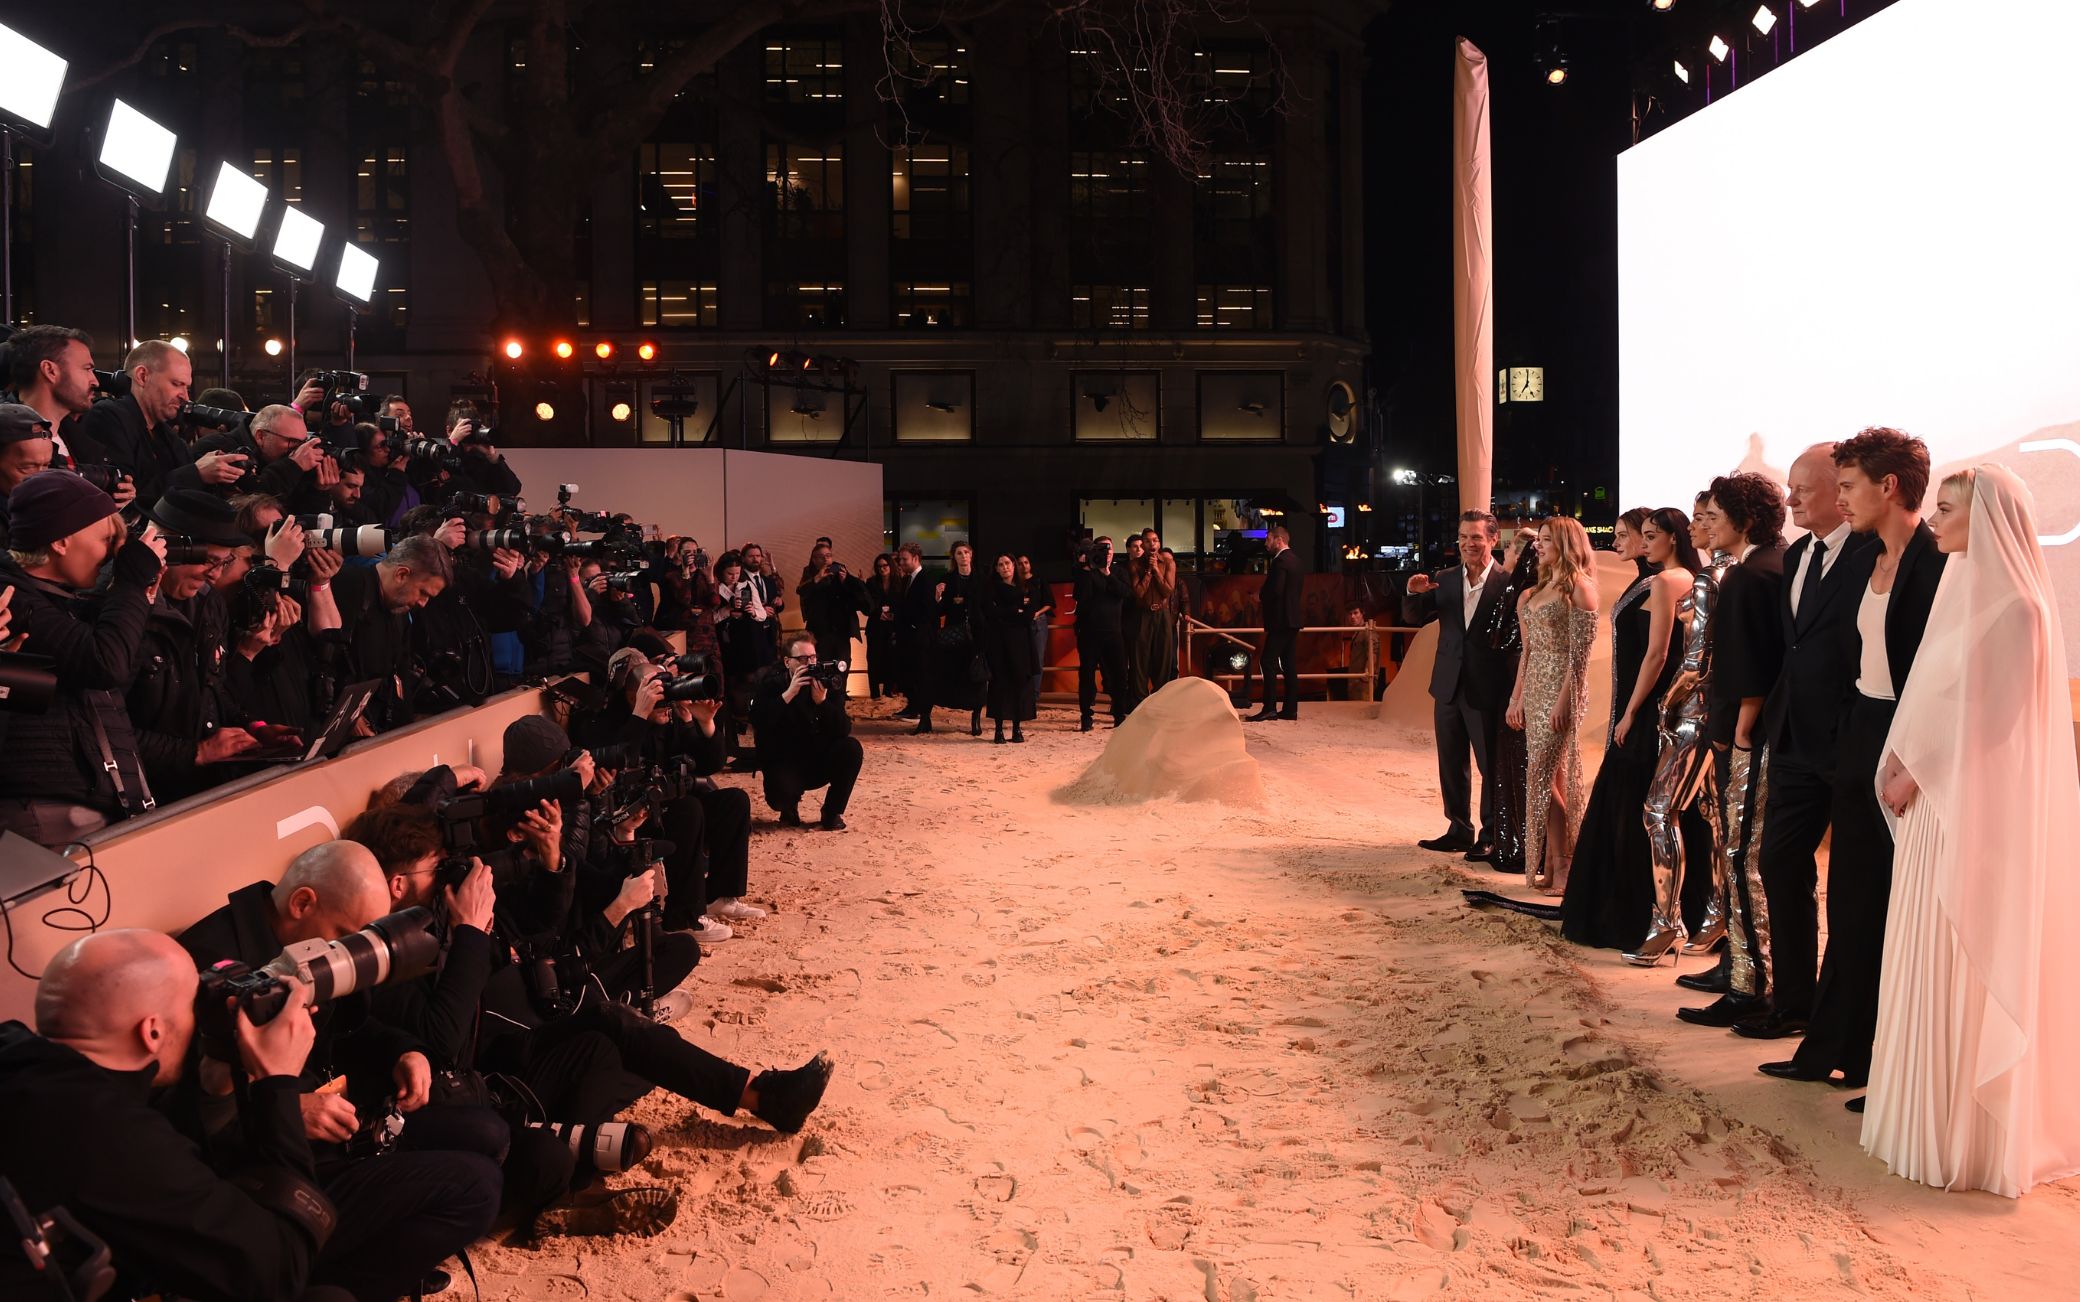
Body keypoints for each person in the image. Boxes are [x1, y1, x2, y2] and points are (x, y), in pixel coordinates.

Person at [1860, 465, 2080, 1195]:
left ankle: (1964, 1141)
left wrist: (1910, 776)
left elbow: (1989, 729)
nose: (1937, 521)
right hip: (1931, 815)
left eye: (1948, 509)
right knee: (1925, 953)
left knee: (1958, 956)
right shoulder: (1963, 595)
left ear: (1986, 520)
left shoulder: (2018, 609)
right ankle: (1920, 1121)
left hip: (1966, 816)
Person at [177, 842, 505, 1302]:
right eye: (347, 934)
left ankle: (376, 1261)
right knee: (478, 1186)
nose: (353, 949)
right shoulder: (210, 969)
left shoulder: (312, 947)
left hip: (339, 1126)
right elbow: (189, 1115)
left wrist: (403, 1052)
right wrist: (287, 1107)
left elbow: (354, 1026)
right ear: (302, 903)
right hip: (265, 1167)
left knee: (486, 1131)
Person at [0, 930, 347, 1301]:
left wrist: (216, 1070)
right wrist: (277, 1081)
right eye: (191, 1007)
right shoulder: (107, 1134)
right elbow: (277, 1276)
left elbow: (167, 1164)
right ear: (151, 1031)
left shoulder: (19, 1054)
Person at [1765, 429, 1946, 1098]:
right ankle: (1832, 1047)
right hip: (1859, 738)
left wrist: (1912, 759)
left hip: (1903, 742)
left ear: (1887, 486)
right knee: (1850, 902)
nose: (1839, 500)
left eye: (1846, 486)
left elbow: (1937, 679)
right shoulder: (1872, 561)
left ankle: (1881, 1065)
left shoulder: (1932, 565)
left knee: (1891, 909)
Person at [1692, 446, 1874, 1027]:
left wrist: (1745, 718)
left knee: (1843, 888)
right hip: (1791, 740)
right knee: (1776, 864)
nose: (1791, 498)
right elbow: (1790, 651)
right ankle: (1791, 1003)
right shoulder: (1796, 556)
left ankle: (1824, 1013)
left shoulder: (1873, 554)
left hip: (1844, 742)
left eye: (1805, 488)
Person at [0, 472, 167, 845]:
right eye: (107, 539)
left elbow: (116, 687)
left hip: (82, 804)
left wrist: (141, 598)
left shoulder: (60, 601)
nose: (112, 552)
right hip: (44, 814)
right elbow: (105, 664)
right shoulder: (12, 597)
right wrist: (130, 585)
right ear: (61, 541)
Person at [1562, 508, 1694, 947]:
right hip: (1636, 704)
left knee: (1638, 806)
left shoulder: (1668, 581)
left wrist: (1634, 711)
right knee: (1632, 805)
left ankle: (1640, 914)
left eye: (1630, 535)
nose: (1617, 542)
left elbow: (1658, 654)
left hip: (1649, 709)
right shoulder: (1648, 581)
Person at [1401, 511, 1519, 857]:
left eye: (1477, 537)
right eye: (1464, 537)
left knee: (1489, 764)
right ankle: (1457, 829)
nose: (1469, 543)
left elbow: (1516, 640)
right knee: (1451, 762)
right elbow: (1412, 618)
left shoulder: (1508, 582)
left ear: (1493, 540)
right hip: (1447, 685)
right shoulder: (1444, 578)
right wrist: (1412, 591)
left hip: (1488, 687)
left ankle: (1490, 834)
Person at [1505, 517, 1599, 895]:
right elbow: (1526, 653)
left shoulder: (1580, 588)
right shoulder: (1536, 591)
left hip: (1564, 687)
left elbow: (1581, 655)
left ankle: (1566, 864)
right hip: (1536, 688)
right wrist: (1517, 697)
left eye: (1546, 540)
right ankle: (1552, 862)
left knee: (1540, 778)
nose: (1538, 546)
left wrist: (1566, 699)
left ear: (1566, 542)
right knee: (1549, 777)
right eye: (1538, 540)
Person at [752, 632, 863, 829]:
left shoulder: (825, 681)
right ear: (787, 662)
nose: (810, 663)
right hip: (784, 760)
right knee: (780, 797)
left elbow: (843, 728)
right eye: (802, 659)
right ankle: (789, 807)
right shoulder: (771, 683)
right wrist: (788, 695)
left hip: (817, 757)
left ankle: (831, 812)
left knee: (851, 749)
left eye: (812, 657)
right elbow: (760, 722)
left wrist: (822, 702)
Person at [1479, 526, 1539, 873]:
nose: (1505, 558)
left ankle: (1525, 845)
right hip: (1509, 681)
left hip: (1520, 682)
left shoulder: (1527, 594)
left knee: (1522, 763)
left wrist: (1517, 696)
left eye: (1512, 552)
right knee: (1511, 762)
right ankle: (1514, 841)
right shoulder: (1518, 591)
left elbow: (1523, 647)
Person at [70, 339, 193, 507]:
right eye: (177, 384)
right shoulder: (107, 417)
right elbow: (125, 495)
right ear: (142, 376)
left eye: (187, 387)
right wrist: (195, 474)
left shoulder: (167, 435)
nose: (185, 397)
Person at [6, 323, 97, 466]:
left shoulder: (81, 441)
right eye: (87, 369)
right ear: (50, 371)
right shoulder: (9, 445)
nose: (95, 381)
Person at [1071, 536, 1131, 732]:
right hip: (1089, 632)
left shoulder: (1119, 572)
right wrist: (1088, 570)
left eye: (1109, 549)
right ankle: (1086, 716)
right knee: (1087, 674)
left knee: (1119, 674)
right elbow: (1082, 598)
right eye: (1101, 549)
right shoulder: (1084, 573)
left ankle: (1119, 715)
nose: (1106, 553)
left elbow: (1124, 593)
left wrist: (1107, 573)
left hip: (1114, 631)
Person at [979, 553, 1039, 742]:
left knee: (1020, 683)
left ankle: (1016, 728)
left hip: (1022, 642)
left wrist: (1011, 614)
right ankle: (998, 730)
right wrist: (1014, 611)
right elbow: (991, 612)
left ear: (1014, 566)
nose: (1005, 567)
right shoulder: (991, 588)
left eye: (1007, 563)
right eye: (1000, 564)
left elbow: (1029, 614)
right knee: (1000, 684)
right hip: (999, 642)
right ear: (996, 568)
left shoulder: (1027, 587)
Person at [1247, 524, 1303, 721]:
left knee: (1267, 661)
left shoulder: (1280, 563)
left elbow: (1276, 590)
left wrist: (1260, 596)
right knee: (1288, 664)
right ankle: (1290, 709)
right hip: (1293, 619)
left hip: (1280, 620)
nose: (1265, 543)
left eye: (1268, 539)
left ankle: (1269, 707)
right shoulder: (1296, 561)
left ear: (1278, 540)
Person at [1133, 531, 1179, 699]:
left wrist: (1157, 571)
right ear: (1142, 545)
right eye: (1147, 541)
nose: (1152, 544)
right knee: (1140, 660)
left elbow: (1168, 591)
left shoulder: (1168, 563)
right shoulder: (1135, 565)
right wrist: (1148, 572)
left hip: (1162, 614)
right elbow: (1138, 592)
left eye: (1155, 540)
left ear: (1159, 543)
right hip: (1143, 615)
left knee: (1164, 659)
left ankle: (1160, 700)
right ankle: (1139, 702)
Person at [864, 552, 902, 701]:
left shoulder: (899, 582)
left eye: (885, 565)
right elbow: (868, 604)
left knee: (891, 659)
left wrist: (893, 615)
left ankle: (887, 691)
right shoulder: (871, 582)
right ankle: (874, 693)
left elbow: (901, 604)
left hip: (892, 626)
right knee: (873, 660)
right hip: (875, 626)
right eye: (879, 566)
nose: (882, 568)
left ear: (890, 566)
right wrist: (878, 613)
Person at [1018, 554, 1053, 702]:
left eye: (1026, 562)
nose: (1024, 565)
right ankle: (1022, 693)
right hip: (1019, 623)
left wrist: (1037, 613)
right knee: (1020, 658)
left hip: (1038, 621)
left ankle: (1034, 694)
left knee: (1037, 659)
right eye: (1020, 563)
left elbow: (1049, 602)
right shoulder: (1013, 583)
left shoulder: (1039, 581)